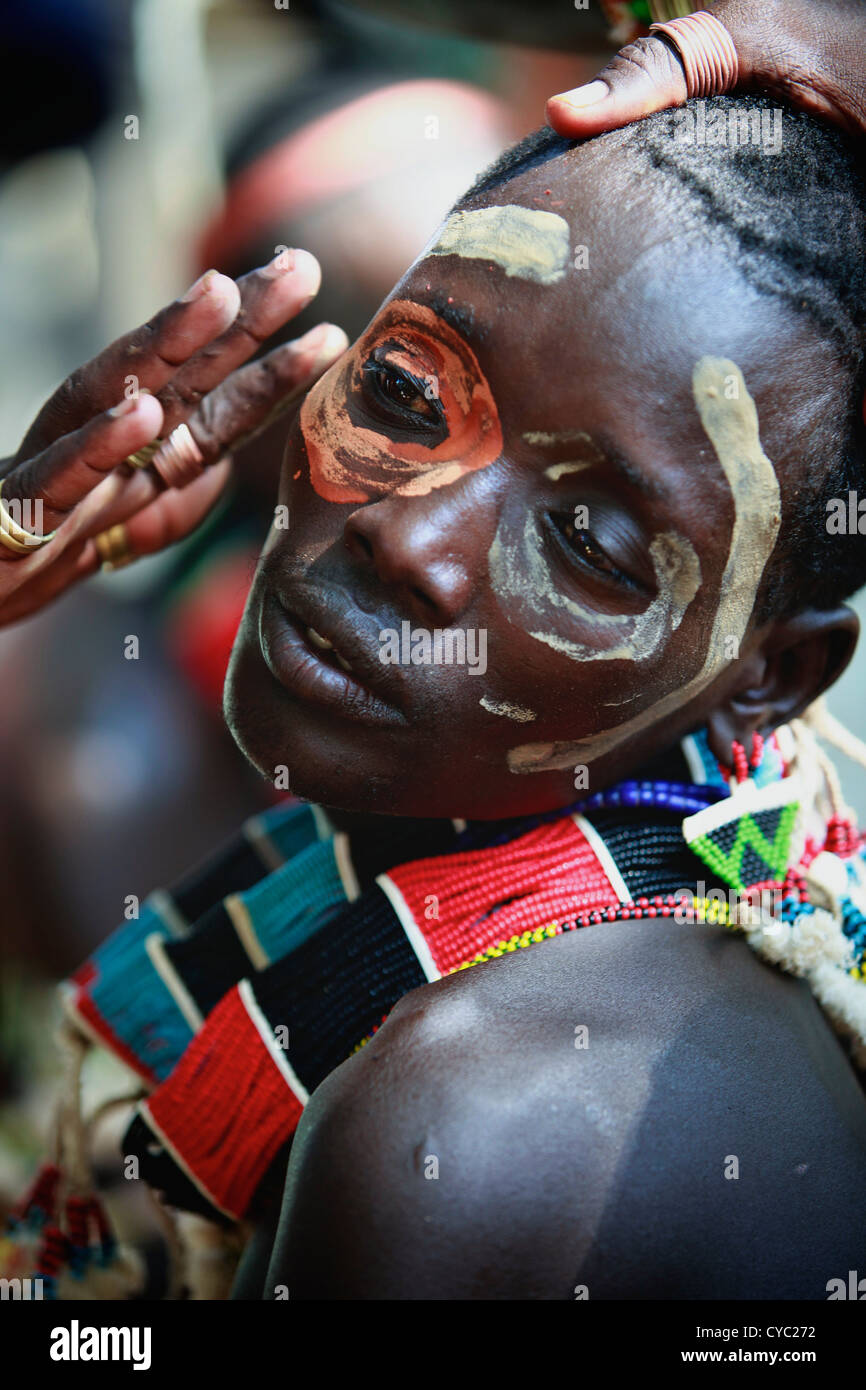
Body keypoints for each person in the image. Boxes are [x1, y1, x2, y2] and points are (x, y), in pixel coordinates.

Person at [2, 8, 866, 1302]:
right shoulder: (528, 869)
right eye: (406, 391)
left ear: (770, 674)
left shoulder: (466, 1135)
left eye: (588, 536)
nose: (410, 539)